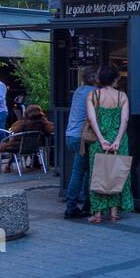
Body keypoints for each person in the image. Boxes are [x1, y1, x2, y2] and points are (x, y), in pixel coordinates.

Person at [84, 65, 133, 223]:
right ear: (114, 80)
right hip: (119, 140)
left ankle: (97, 214)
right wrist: (117, 140)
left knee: (98, 174)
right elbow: (124, 119)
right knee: (117, 173)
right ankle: (114, 212)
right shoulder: (122, 96)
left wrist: (101, 139)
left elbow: (92, 119)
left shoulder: (93, 95)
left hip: (100, 141)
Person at [63, 69, 96, 218]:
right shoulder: (95, 93)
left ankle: (82, 204)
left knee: (82, 170)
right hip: (82, 137)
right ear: (96, 78)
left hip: (71, 134)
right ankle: (73, 207)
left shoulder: (79, 91)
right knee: (82, 171)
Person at [0, 104, 54, 172]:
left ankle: (8, 165)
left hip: (20, 146)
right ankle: (35, 162)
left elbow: (12, 131)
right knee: (26, 143)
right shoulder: (44, 123)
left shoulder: (22, 124)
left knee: (13, 144)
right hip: (36, 146)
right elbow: (49, 131)